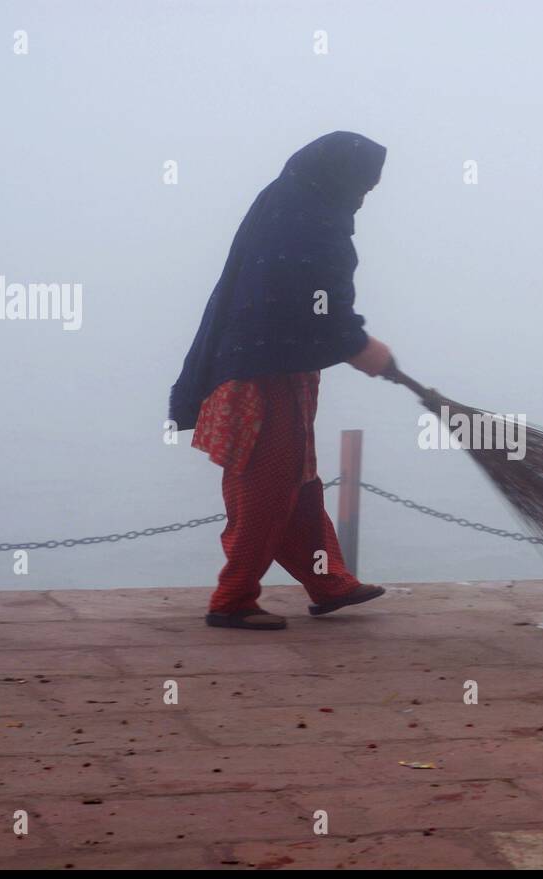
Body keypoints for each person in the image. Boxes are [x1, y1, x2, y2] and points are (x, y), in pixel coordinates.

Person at [168, 131, 393, 630]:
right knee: (268, 483)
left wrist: (348, 343)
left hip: (271, 364)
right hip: (261, 371)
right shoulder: (309, 217)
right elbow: (316, 290)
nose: (363, 197)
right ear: (341, 176)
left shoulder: (291, 200)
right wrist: (356, 345)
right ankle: (233, 599)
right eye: (362, 186)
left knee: (296, 479)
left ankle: (328, 580)